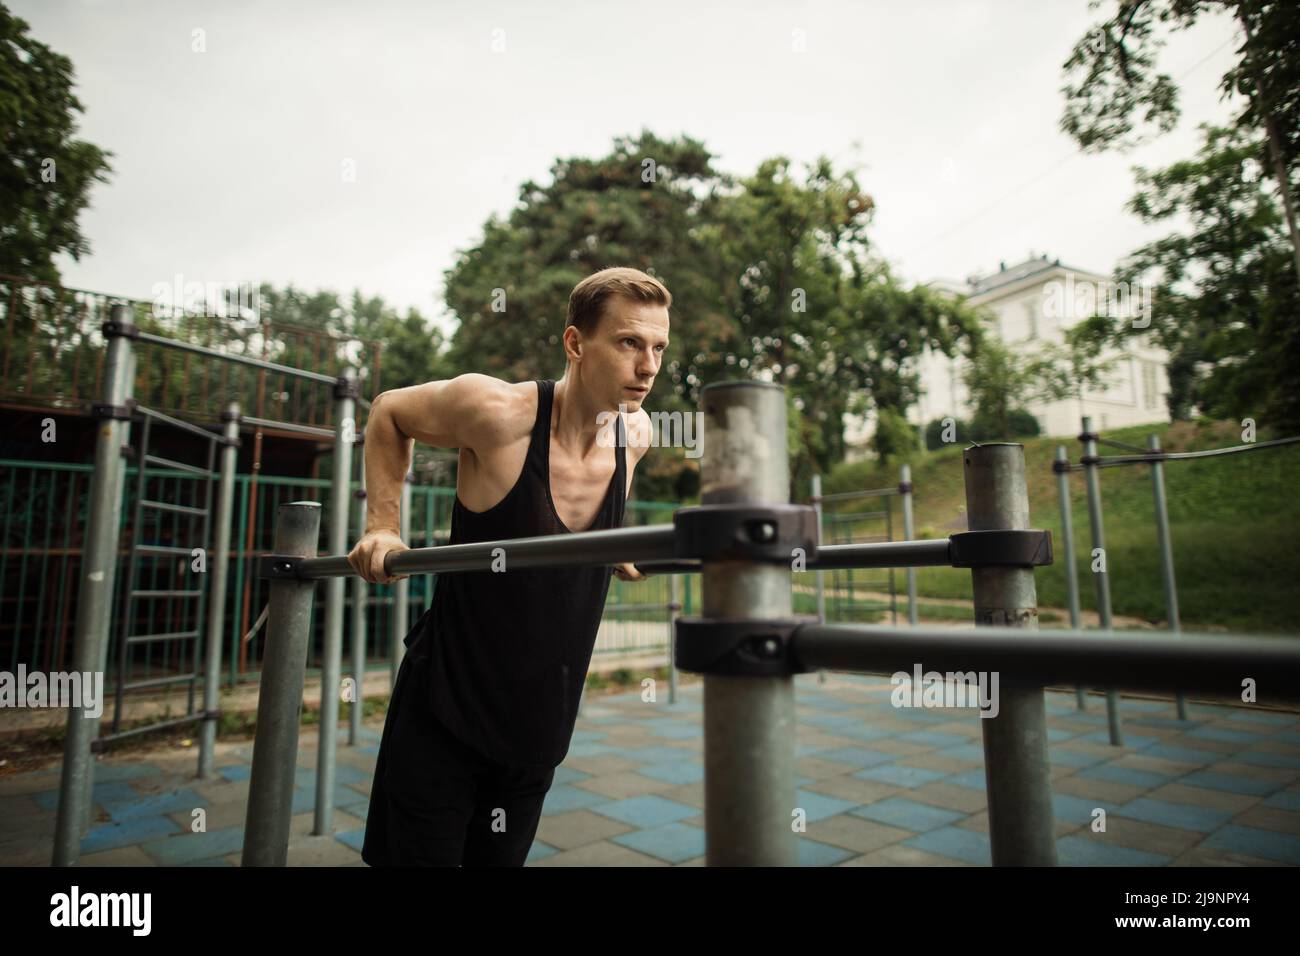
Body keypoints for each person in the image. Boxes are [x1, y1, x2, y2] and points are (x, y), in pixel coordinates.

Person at [350, 266, 671, 866]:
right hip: (446, 711)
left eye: (658, 348)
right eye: (630, 343)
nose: (649, 366)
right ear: (576, 344)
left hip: (540, 724)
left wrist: (613, 541)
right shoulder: (498, 413)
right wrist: (382, 527)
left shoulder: (638, 433)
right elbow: (389, 412)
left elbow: (588, 521)